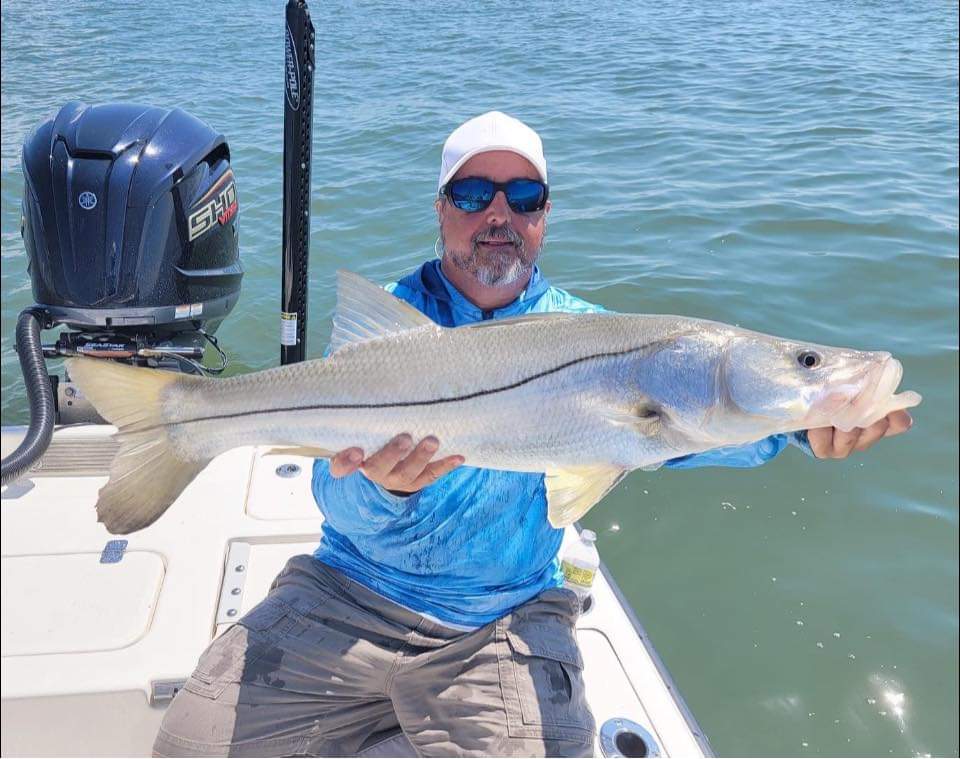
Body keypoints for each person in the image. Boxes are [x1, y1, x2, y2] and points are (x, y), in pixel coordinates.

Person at [154, 111, 913, 758]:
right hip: (351, 593)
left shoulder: (593, 331)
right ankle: (188, 422)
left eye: (523, 197)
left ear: (544, 215)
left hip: (502, 617)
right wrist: (386, 488)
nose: (500, 214)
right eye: (475, 193)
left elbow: (691, 425)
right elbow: (334, 490)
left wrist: (802, 429)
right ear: (442, 208)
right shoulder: (394, 320)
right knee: (190, 744)